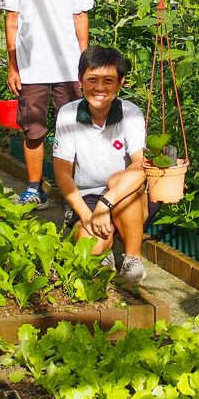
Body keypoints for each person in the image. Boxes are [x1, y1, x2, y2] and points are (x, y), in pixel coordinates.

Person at [0, 0, 93, 210]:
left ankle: (73, 194)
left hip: (69, 67)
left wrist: (85, 64)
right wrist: (14, 66)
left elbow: (81, 16)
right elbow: (11, 19)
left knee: (73, 132)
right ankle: (34, 188)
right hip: (31, 66)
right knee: (33, 130)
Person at [52, 46, 148, 285]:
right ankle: (105, 244)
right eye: (92, 79)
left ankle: (133, 258)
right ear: (80, 81)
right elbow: (63, 174)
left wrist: (106, 204)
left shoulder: (131, 114)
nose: (100, 88)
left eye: (109, 80)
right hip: (87, 199)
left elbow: (140, 166)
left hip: (125, 197)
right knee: (93, 247)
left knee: (119, 178)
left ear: (120, 82)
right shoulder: (67, 115)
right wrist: (87, 215)